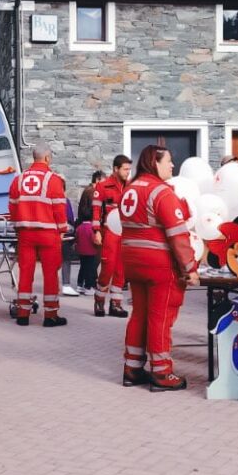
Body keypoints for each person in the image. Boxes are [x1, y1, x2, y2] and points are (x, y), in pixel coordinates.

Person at [118, 145, 198, 390]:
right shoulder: (161, 192)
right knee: (160, 317)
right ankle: (162, 373)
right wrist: (190, 267)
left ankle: (132, 368)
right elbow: (178, 234)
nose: (172, 165)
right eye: (169, 161)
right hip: (158, 264)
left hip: (132, 261)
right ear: (155, 162)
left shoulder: (130, 188)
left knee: (139, 314)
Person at [9, 144, 68, 327]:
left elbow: (12, 207)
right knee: (50, 274)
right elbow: (59, 209)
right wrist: (62, 230)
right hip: (48, 234)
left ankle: (22, 314)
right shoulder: (53, 179)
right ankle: (50, 315)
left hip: (26, 234)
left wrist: (18, 228)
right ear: (47, 158)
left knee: (25, 273)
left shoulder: (18, 179)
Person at [91, 155, 133, 318]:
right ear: (116, 169)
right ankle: (99, 300)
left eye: (129, 169)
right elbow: (96, 211)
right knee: (107, 268)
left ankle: (116, 304)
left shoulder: (131, 187)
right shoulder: (102, 186)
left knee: (121, 269)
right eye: (125, 169)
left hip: (125, 233)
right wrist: (96, 231)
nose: (128, 172)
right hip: (108, 232)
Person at [75, 217, 100, 293]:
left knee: (82, 268)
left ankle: (79, 285)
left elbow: (76, 238)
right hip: (91, 252)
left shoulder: (79, 227)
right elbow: (94, 240)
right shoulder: (92, 228)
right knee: (89, 269)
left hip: (81, 251)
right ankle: (88, 287)